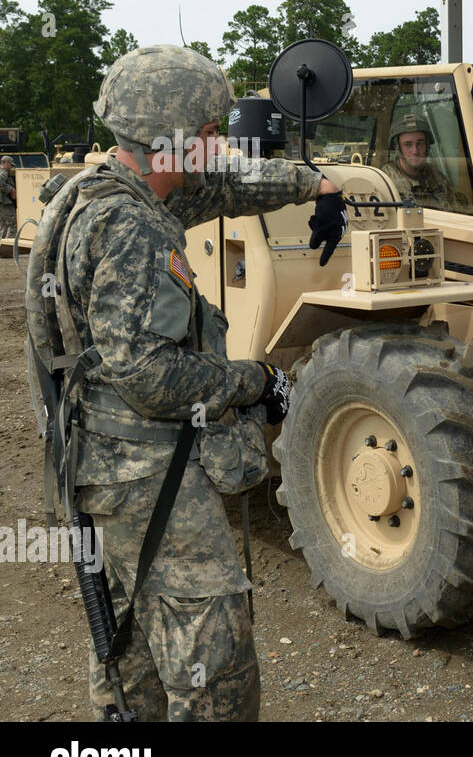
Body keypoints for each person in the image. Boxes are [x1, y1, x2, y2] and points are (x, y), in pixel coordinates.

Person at [25, 45, 347, 721]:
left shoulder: (88, 194)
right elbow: (150, 375)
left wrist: (313, 184)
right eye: (211, 130)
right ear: (181, 137)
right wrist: (252, 381)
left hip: (95, 468)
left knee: (127, 651)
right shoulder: (134, 226)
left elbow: (227, 186)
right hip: (151, 479)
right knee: (215, 665)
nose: (219, 141)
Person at [381, 113, 471, 213]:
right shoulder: (385, 181)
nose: (415, 151)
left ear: (427, 145)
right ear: (398, 147)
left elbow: (458, 213)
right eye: (408, 144)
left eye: (420, 143)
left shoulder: (437, 178)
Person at [0, 155, 17, 241]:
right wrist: (11, 190)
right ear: (5, 163)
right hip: (5, 202)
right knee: (13, 224)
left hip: (2, 203)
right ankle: (9, 247)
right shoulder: (3, 173)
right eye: (10, 164)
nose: (11, 167)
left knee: (3, 226)